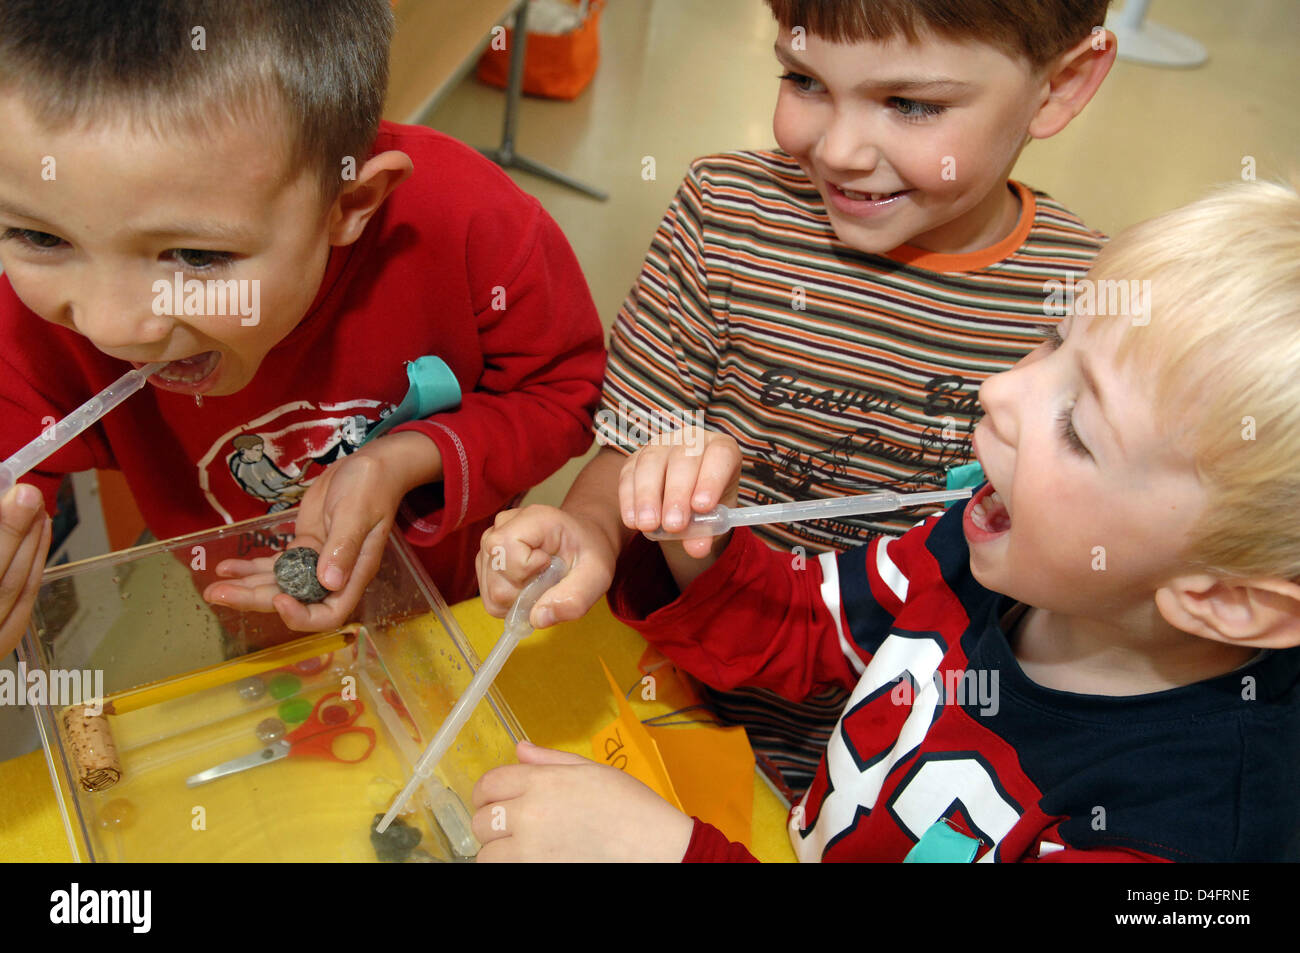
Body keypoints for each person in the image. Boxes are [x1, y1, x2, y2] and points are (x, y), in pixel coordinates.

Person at [470, 181, 1300, 862]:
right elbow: (802, 626)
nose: (1000, 392)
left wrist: (667, 853)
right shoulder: (975, 545)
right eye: (1052, 343)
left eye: (1079, 428)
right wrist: (697, 534)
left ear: (1226, 597)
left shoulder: (1189, 834)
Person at [479, 0, 1117, 796]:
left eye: (911, 104)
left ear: (1061, 85)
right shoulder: (724, 214)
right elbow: (630, 453)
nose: (841, 150)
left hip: (890, 772)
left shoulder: (1088, 312)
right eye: (804, 79)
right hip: (670, 705)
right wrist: (587, 532)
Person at [0, 0, 605, 656]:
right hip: (254, 624)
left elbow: (562, 395)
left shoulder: (473, 227)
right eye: (37, 235)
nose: (112, 327)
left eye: (198, 256)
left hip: (464, 609)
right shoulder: (41, 321)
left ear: (350, 204)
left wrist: (405, 459)